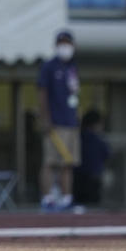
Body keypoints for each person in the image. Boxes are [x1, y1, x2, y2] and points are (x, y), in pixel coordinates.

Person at [37, 30, 81, 211]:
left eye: (68, 43)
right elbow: (41, 93)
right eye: (62, 43)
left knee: (67, 163)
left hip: (71, 122)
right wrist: (46, 119)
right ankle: (47, 198)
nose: (65, 46)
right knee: (50, 161)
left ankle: (66, 198)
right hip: (55, 122)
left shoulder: (72, 67)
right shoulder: (49, 67)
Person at [73, 110, 110, 205]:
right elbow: (106, 156)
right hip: (92, 179)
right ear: (97, 124)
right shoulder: (99, 141)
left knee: (78, 208)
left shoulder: (77, 138)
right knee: (93, 210)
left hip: (77, 179)